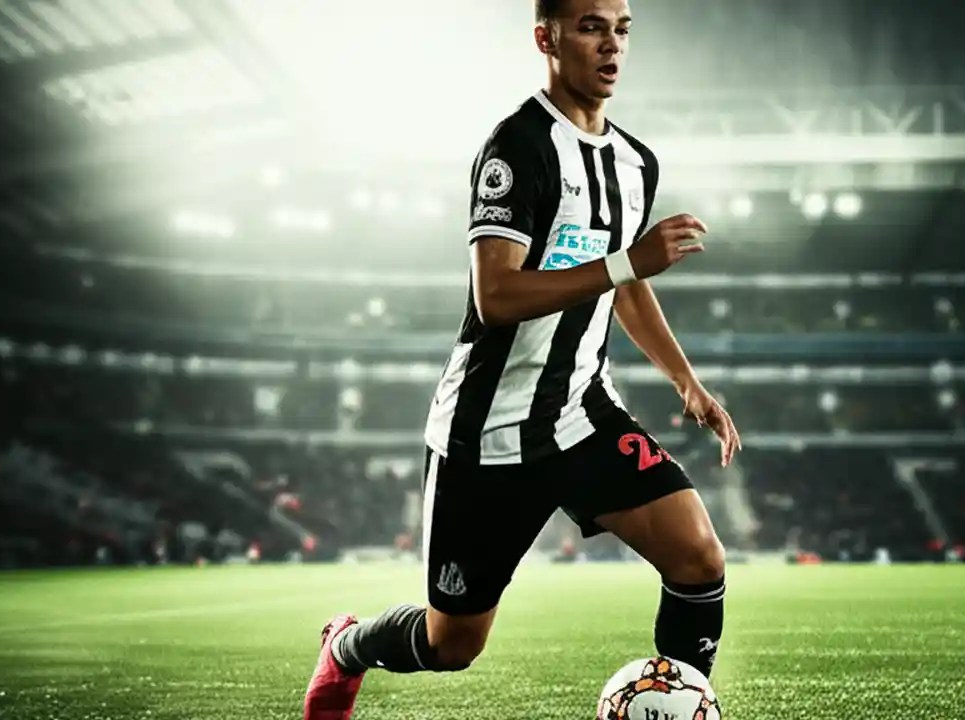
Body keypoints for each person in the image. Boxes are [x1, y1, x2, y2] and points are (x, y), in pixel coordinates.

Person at [304, 1, 741, 717]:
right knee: (452, 643)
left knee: (698, 557)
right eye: (591, 27)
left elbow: (624, 285)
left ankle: (680, 708)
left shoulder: (636, 162)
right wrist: (630, 260)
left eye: (622, 29)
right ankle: (347, 647)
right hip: (488, 429)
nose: (611, 45)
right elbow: (497, 296)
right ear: (547, 37)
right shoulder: (518, 147)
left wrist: (685, 380)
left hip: (580, 414)